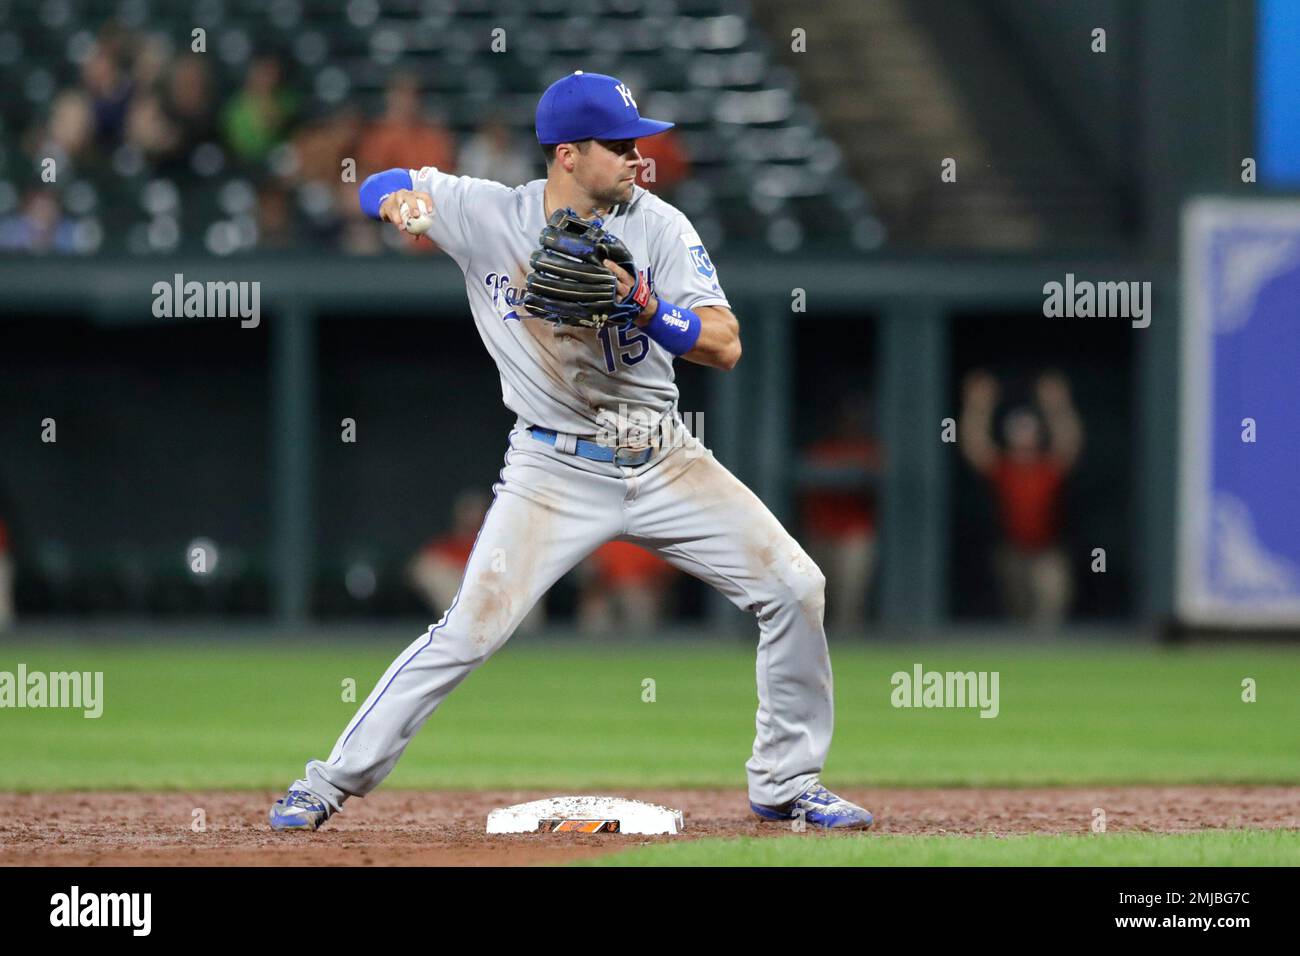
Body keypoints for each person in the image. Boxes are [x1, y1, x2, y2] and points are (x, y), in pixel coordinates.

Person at [268, 70, 872, 832]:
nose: (635, 158)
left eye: (635, 143)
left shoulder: (660, 227)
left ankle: (787, 782)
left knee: (796, 587)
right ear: (566, 154)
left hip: (662, 458)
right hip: (551, 467)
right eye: (618, 145)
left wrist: (647, 306)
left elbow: (725, 344)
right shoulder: (490, 214)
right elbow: (378, 181)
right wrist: (398, 201)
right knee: (468, 629)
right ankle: (327, 783)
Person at [960, 369, 1083, 628]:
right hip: (1011, 552)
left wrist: (1058, 406)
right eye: (1018, 435)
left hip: (1048, 551)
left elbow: (1070, 443)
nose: (1024, 442)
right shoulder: (1004, 468)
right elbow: (975, 447)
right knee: (1017, 615)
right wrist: (977, 407)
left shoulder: (1047, 467)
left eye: (1028, 435)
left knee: (1051, 610)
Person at [799, 392, 882, 633]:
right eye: (846, 418)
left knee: (849, 606)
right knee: (815, 603)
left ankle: (849, 658)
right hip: (821, 533)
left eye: (855, 418)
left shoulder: (869, 451)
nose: (850, 423)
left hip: (855, 536)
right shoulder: (822, 450)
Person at [576, 541, 675, 633]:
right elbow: (589, 572)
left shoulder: (651, 539)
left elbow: (664, 576)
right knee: (596, 611)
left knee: (637, 603)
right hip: (606, 589)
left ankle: (638, 648)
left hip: (641, 590)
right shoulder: (601, 537)